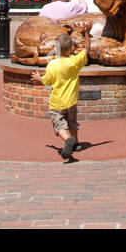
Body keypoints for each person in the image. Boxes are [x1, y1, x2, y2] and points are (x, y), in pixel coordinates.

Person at [30, 33, 87, 161]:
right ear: (71, 48)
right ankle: (76, 144)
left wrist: (39, 78)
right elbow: (86, 50)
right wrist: (87, 35)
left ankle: (68, 139)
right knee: (72, 123)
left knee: (59, 125)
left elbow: (47, 81)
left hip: (57, 102)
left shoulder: (52, 65)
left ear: (56, 48)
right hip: (71, 101)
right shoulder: (74, 62)